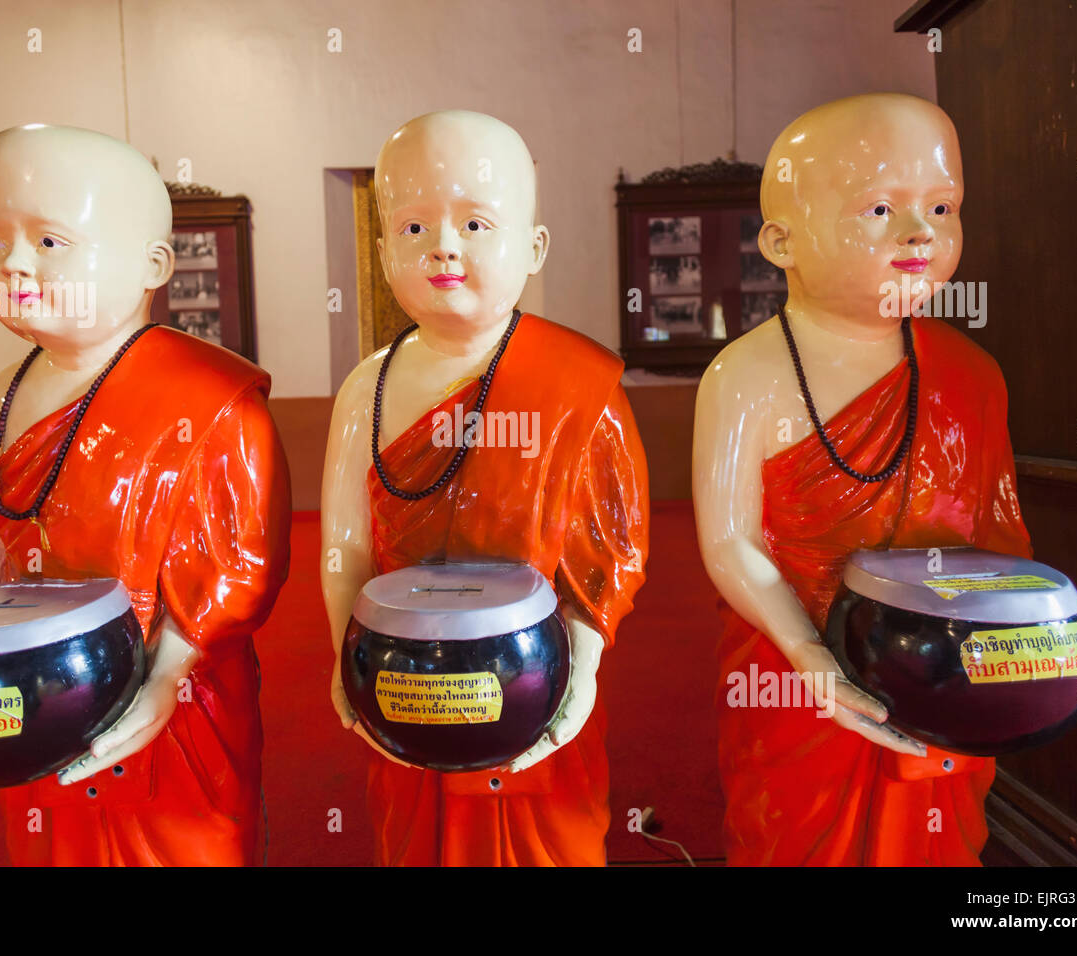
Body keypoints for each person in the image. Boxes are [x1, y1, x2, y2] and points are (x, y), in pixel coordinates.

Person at [692, 93, 1032, 865]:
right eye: (881, 208)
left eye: (943, 207)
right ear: (781, 239)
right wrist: (811, 654)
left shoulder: (970, 375)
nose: (922, 235)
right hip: (792, 668)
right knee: (793, 835)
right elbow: (729, 540)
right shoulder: (743, 376)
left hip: (941, 669)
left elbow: (1000, 539)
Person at [0, 125, 292, 865]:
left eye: (49, 241)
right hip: (33, 688)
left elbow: (241, 567)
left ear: (153, 264)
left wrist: (165, 676)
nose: (14, 265)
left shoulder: (212, 398)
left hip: (178, 695)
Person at [320, 110, 650, 866]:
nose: (442, 245)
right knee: (415, 832)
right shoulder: (364, 389)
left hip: (538, 666)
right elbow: (343, 545)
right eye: (412, 228)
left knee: (546, 840)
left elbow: (613, 546)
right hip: (403, 668)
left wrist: (586, 663)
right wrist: (347, 654)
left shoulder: (576, 382)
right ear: (380, 250)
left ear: (532, 248)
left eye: (475, 223)